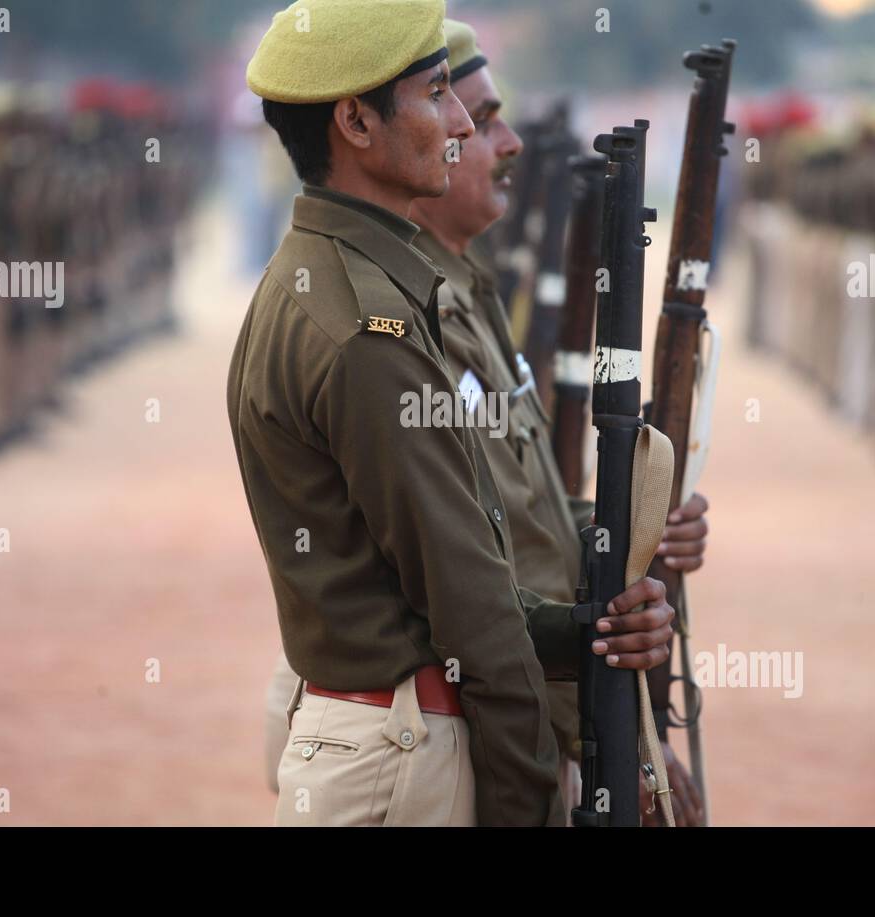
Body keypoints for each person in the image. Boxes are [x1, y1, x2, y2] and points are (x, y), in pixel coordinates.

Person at [230, 0, 676, 827]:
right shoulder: (365, 327)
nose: (464, 126)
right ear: (357, 121)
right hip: (401, 753)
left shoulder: (355, 286)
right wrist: (533, 799)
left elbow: (478, 563)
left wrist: (590, 632)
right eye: (439, 95)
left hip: (399, 737)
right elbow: (468, 602)